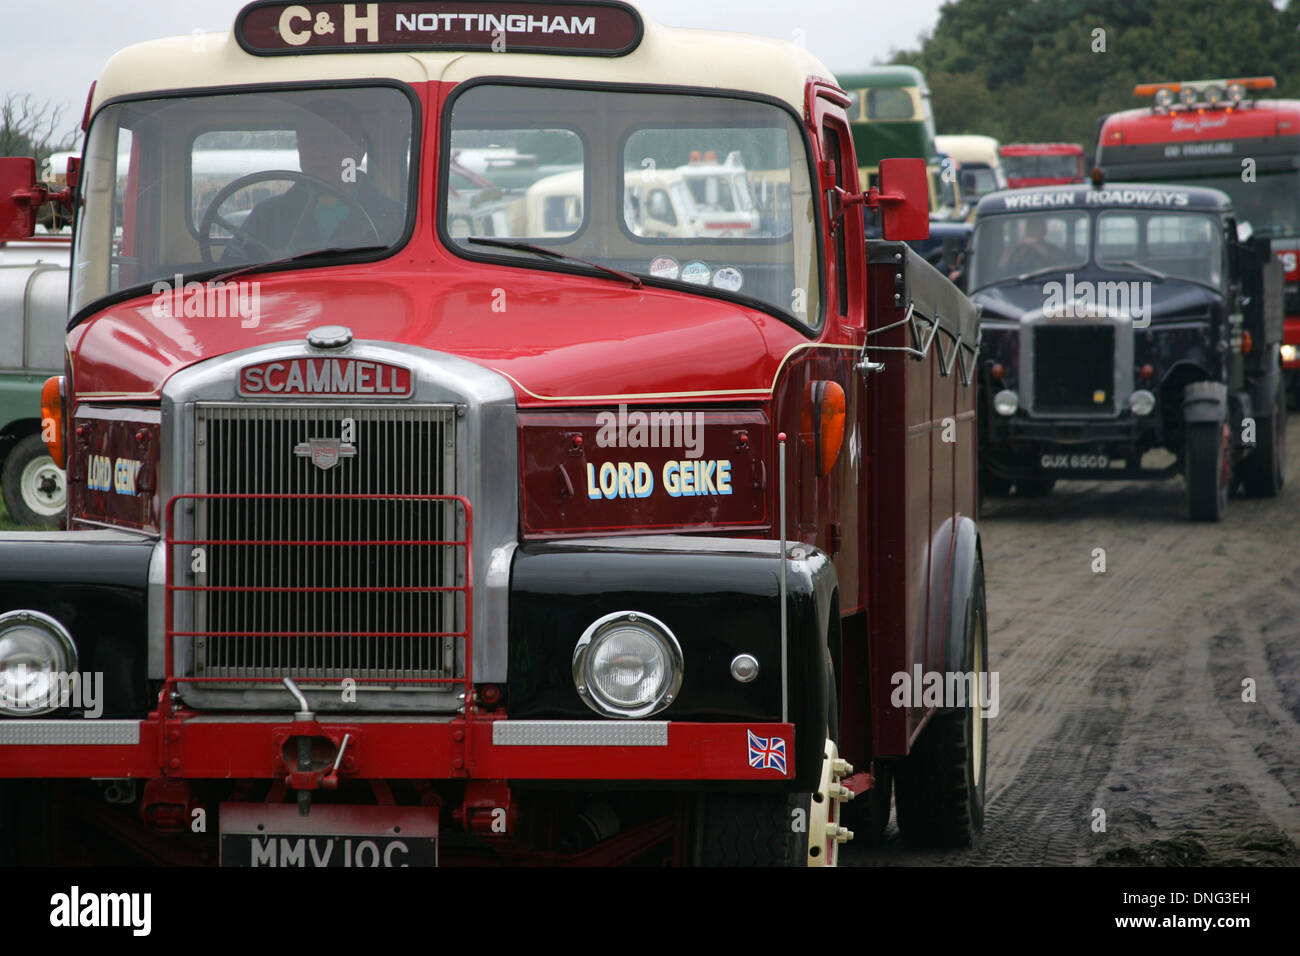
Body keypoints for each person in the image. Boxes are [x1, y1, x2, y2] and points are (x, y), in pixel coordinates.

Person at [229, 99, 404, 261]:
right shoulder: (267, 216)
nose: (320, 152)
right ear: (300, 149)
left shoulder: (392, 218)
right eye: (311, 141)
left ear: (359, 150)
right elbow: (233, 274)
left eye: (334, 141)